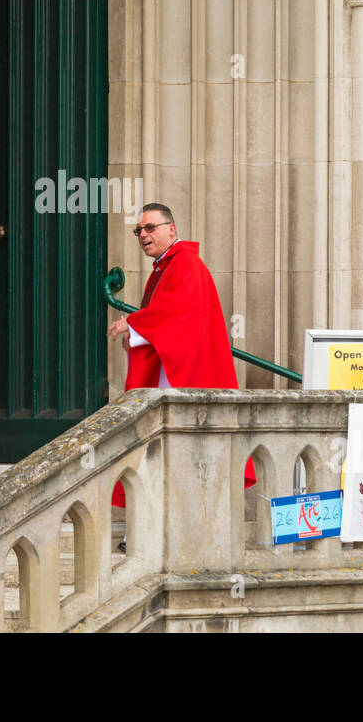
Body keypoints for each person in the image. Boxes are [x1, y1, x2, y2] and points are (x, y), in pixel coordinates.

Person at [106, 204, 253, 522]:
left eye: (150, 228)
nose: (143, 235)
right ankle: (155, 528)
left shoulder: (185, 263)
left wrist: (131, 324)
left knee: (179, 455)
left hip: (185, 376)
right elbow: (165, 320)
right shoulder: (164, 268)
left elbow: (176, 314)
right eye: (139, 230)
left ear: (171, 229)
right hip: (171, 374)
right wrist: (138, 333)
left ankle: (180, 526)